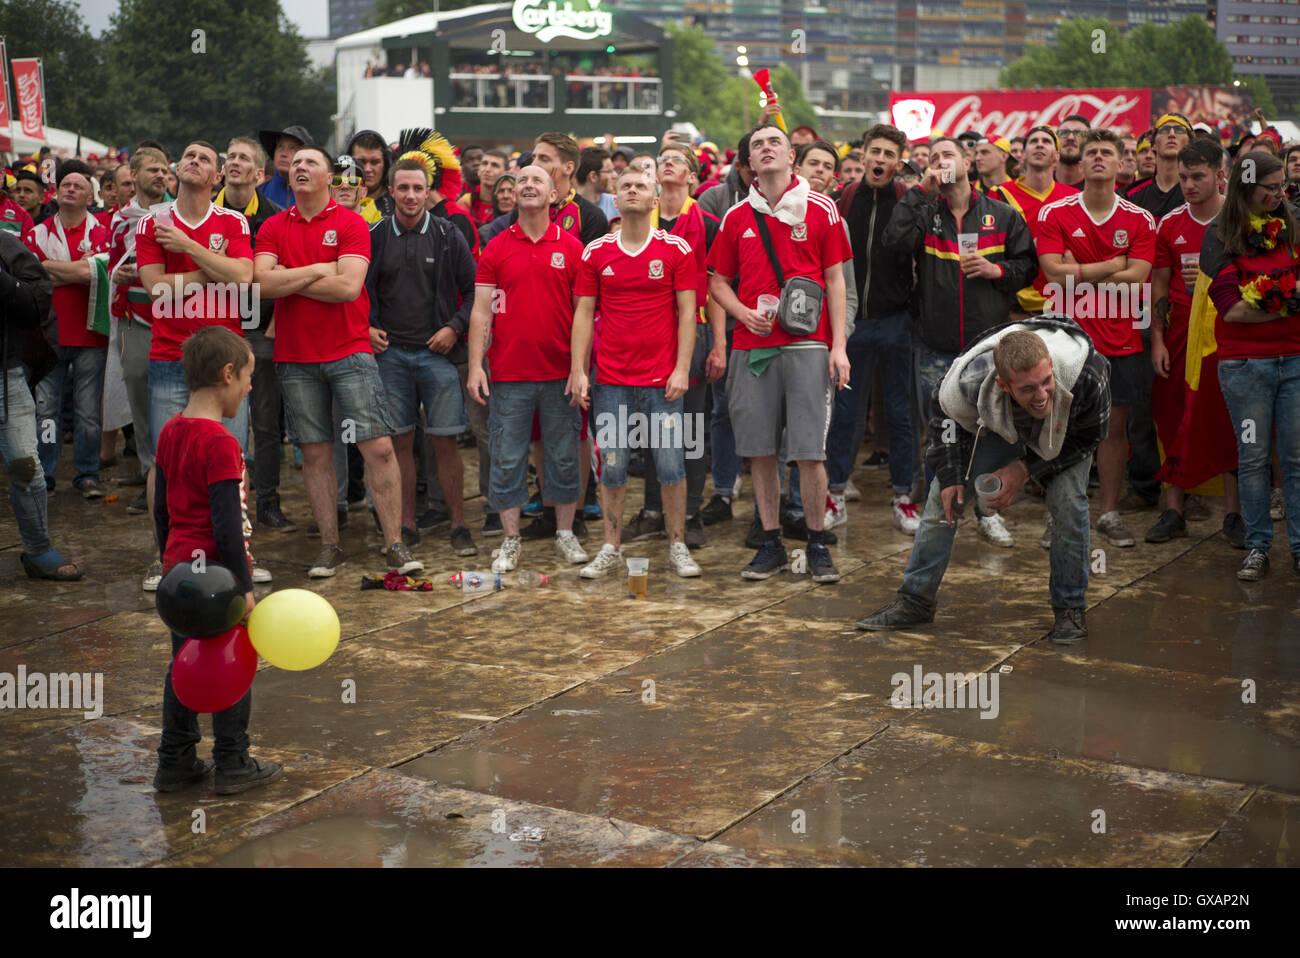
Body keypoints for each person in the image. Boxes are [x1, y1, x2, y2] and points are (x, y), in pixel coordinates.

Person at [855, 322, 1111, 645]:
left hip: (1064, 432)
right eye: (1028, 388)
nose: (1042, 394)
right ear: (1004, 384)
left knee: (1069, 503)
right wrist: (950, 476)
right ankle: (915, 600)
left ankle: (1070, 608)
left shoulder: (1087, 374)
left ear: (1051, 367)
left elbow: (1091, 436)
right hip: (997, 422)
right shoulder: (969, 382)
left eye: (1046, 382)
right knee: (941, 499)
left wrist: (1023, 469)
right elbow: (944, 419)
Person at [252, 144, 418, 579]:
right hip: (296, 355)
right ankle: (329, 545)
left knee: (379, 447)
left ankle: (394, 544)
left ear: (330, 177)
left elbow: (348, 289)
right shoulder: (272, 226)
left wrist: (291, 276)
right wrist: (318, 270)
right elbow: (262, 286)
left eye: (312, 163)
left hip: (350, 350)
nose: (301, 168)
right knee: (314, 452)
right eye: (297, 164)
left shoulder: (351, 223)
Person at [706, 122, 852, 583]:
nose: (766, 149)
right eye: (757, 146)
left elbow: (836, 281)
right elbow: (716, 282)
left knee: (810, 453)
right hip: (753, 347)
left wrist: (840, 347)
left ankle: (815, 544)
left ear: (792, 156)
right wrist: (742, 314)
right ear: (748, 163)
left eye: (775, 143)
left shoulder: (822, 208)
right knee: (761, 452)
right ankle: (769, 542)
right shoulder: (735, 217)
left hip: (809, 344)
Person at [884, 136, 1039, 548]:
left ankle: (988, 511)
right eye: (933, 159)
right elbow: (894, 243)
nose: (940, 163)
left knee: (992, 428)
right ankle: (939, 513)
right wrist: (921, 190)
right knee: (941, 431)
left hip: (987, 347)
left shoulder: (1003, 215)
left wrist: (996, 271)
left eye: (947, 156)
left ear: (967, 161)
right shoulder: (924, 213)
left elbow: (1028, 267)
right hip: (934, 346)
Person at [135, 140, 272, 589]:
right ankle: (165, 557)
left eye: (204, 159)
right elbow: (155, 291)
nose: (194, 162)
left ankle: (241, 555)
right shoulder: (153, 223)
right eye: (188, 156)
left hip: (224, 362)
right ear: (177, 170)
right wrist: (215, 266)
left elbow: (244, 277)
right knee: (165, 460)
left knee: (233, 459)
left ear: (216, 178)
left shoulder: (232, 220)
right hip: (169, 355)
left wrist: (189, 248)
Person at [151, 325, 282, 795]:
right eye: (247, 378)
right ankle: (232, 762)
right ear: (227, 374)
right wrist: (244, 590)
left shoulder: (171, 431)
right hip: (217, 580)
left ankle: (175, 761)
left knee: (183, 665)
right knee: (232, 664)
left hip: (179, 576)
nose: (250, 387)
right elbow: (228, 525)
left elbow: (162, 508)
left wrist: (168, 561)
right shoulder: (221, 442)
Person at [569, 165, 702, 578]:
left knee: (670, 465)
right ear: (614, 194)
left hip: (663, 381)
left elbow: (687, 313)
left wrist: (682, 368)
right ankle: (611, 546)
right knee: (612, 465)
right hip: (611, 381)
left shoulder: (677, 248)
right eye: (624, 185)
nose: (631, 190)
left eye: (640, 186)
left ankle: (677, 544)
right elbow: (584, 314)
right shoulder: (596, 252)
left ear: (654, 198)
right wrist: (579, 370)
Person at [1037, 128, 1156, 549]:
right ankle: (1060, 513)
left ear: (1123, 162)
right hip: (1069, 339)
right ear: (1080, 162)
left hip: (1122, 339)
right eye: (1092, 152)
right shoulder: (1055, 214)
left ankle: (1108, 513)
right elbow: (1053, 271)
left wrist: (1080, 269)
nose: (1100, 158)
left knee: (1113, 430)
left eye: (1108, 152)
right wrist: (1110, 265)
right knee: (1061, 424)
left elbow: (1139, 276)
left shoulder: (1140, 219)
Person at [466, 165, 589, 572]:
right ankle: (511, 540)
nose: (529, 185)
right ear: (514, 193)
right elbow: (481, 313)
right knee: (506, 458)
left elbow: (582, 316)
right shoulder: (496, 246)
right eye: (522, 181)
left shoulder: (572, 247)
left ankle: (566, 534)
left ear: (554, 194)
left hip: (559, 375)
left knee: (564, 456)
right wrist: (475, 367)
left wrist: (578, 369)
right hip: (509, 375)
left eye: (538, 181)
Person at [366, 157, 478, 556]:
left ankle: (459, 525)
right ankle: (406, 524)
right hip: (390, 355)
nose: (411, 196)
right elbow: (358, 292)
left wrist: (455, 327)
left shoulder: (449, 234)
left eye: (418, 188)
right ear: (391, 191)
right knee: (399, 444)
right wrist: (366, 326)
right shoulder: (375, 235)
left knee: (445, 443)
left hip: (437, 354)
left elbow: (473, 290)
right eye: (403, 188)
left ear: (428, 191)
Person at [1200, 151, 1300, 580]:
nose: (1280, 195)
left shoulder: (1293, 223)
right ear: (1245, 187)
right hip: (1245, 369)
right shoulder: (1219, 235)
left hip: (1295, 363)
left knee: (1295, 460)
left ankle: (1298, 548)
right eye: (1271, 188)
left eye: (1284, 186)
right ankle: (1258, 546)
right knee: (1254, 458)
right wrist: (1289, 308)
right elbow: (1233, 311)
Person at [625, 141, 724, 549]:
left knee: (692, 429)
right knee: (648, 428)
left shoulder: (708, 223)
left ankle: (690, 513)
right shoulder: (635, 219)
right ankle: (652, 511)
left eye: (677, 161)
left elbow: (717, 288)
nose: (668, 163)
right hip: (646, 335)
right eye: (662, 159)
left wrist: (718, 343)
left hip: (694, 333)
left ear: (693, 177)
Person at [1145, 138, 1242, 545]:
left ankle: (1235, 514)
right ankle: (1173, 510)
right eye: (1183, 177)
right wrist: (1157, 341)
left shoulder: (1240, 223)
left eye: (1197, 176)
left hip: (1228, 331)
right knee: (1172, 417)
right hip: (1180, 331)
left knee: (1229, 420)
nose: (1188, 185)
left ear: (1220, 176)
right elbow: (1158, 286)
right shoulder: (1169, 224)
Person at [828, 123, 917, 534]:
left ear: (900, 162)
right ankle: (835, 493)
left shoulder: (909, 202)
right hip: (851, 324)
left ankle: (903, 496)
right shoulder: (840, 203)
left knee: (900, 412)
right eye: (874, 151)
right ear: (862, 155)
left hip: (897, 320)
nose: (880, 159)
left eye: (889, 154)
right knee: (845, 412)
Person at [216, 136, 291, 533]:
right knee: (217, 417)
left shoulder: (275, 217)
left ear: (259, 174)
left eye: (244, 158)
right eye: (230, 156)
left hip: (259, 326)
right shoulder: (208, 211)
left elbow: (281, 274)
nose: (234, 162)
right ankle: (221, 498)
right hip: (215, 324)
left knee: (264, 419)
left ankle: (268, 499)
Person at [29, 160, 113, 498]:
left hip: (91, 335)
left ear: (90, 196)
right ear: (56, 191)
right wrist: (82, 269)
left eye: (78, 185)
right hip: (49, 336)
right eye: (65, 184)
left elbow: (95, 273)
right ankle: (46, 473)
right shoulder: (35, 233)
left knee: (88, 411)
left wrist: (55, 268)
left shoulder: (102, 233)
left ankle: (87, 473)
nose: (70, 188)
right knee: (47, 412)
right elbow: (35, 275)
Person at [1, 229, 80, 579]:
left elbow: (36, 301)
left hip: (6, 376)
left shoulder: (6, 245)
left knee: (27, 468)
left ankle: (37, 548)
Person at [992, 126, 1079, 317]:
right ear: (1022, 155)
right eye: (1033, 141)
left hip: (1066, 304)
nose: (1039, 144)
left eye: (1046, 141)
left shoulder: (1075, 197)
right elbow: (992, 250)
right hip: (1015, 304)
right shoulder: (998, 193)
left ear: (1056, 156)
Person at [257, 125, 312, 209]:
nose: (283, 154)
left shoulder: (317, 194)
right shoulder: (259, 194)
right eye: (280, 147)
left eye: (292, 148)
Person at [348, 130, 395, 222]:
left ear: (385, 164)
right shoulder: (335, 202)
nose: (368, 169)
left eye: (375, 162)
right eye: (361, 162)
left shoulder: (399, 202)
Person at [575, 146, 618, 222]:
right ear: (593, 176)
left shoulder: (616, 204)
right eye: (609, 171)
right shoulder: (567, 207)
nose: (615, 175)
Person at [1054, 115, 1091, 189]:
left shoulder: (1101, 190)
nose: (1070, 137)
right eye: (1064, 133)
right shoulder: (1038, 186)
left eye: (1079, 134)